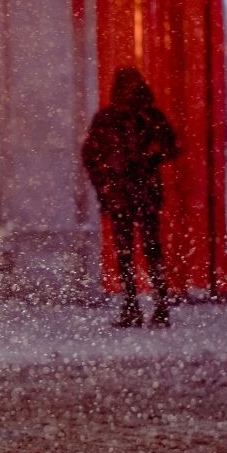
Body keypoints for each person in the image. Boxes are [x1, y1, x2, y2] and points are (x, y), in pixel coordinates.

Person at [82, 66, 179, 328]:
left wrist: (106, 180)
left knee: (129, 251)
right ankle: (155, 306)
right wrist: (149, 158)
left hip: (123, 192)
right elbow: (171, 147)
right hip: (137, 191)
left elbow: (91, 155)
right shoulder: (147, 117)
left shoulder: (110, 118)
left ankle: (136, 307)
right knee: (148, 249)